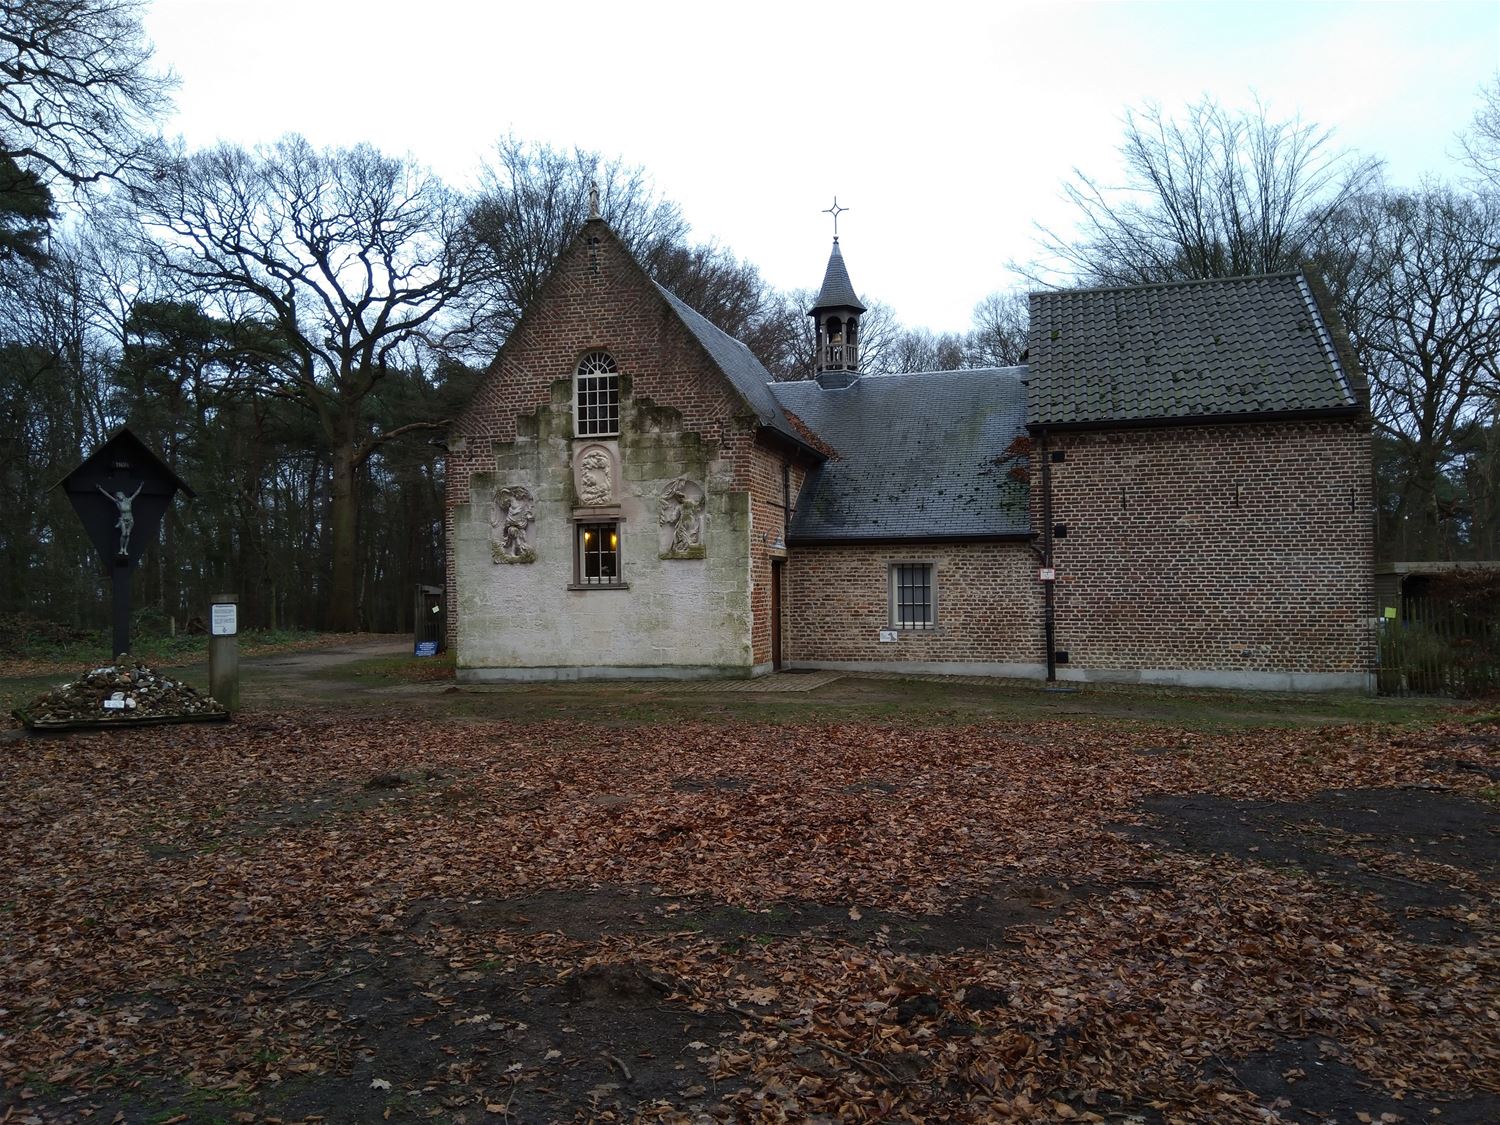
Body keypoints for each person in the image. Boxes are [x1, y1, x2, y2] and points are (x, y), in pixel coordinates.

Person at [97, 481, 144, 555]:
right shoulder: (118, 502)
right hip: (123, 520)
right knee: (124, 534)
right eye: (117, 495)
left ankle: (125, 549)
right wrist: (100, 488)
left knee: (128, 534)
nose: (119, 496)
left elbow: (136, 493)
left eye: (119, 494)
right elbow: (108, 496)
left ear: (122, 495)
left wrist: (141, 486)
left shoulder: (129, 500)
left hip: (130, 519)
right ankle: (121, 548)